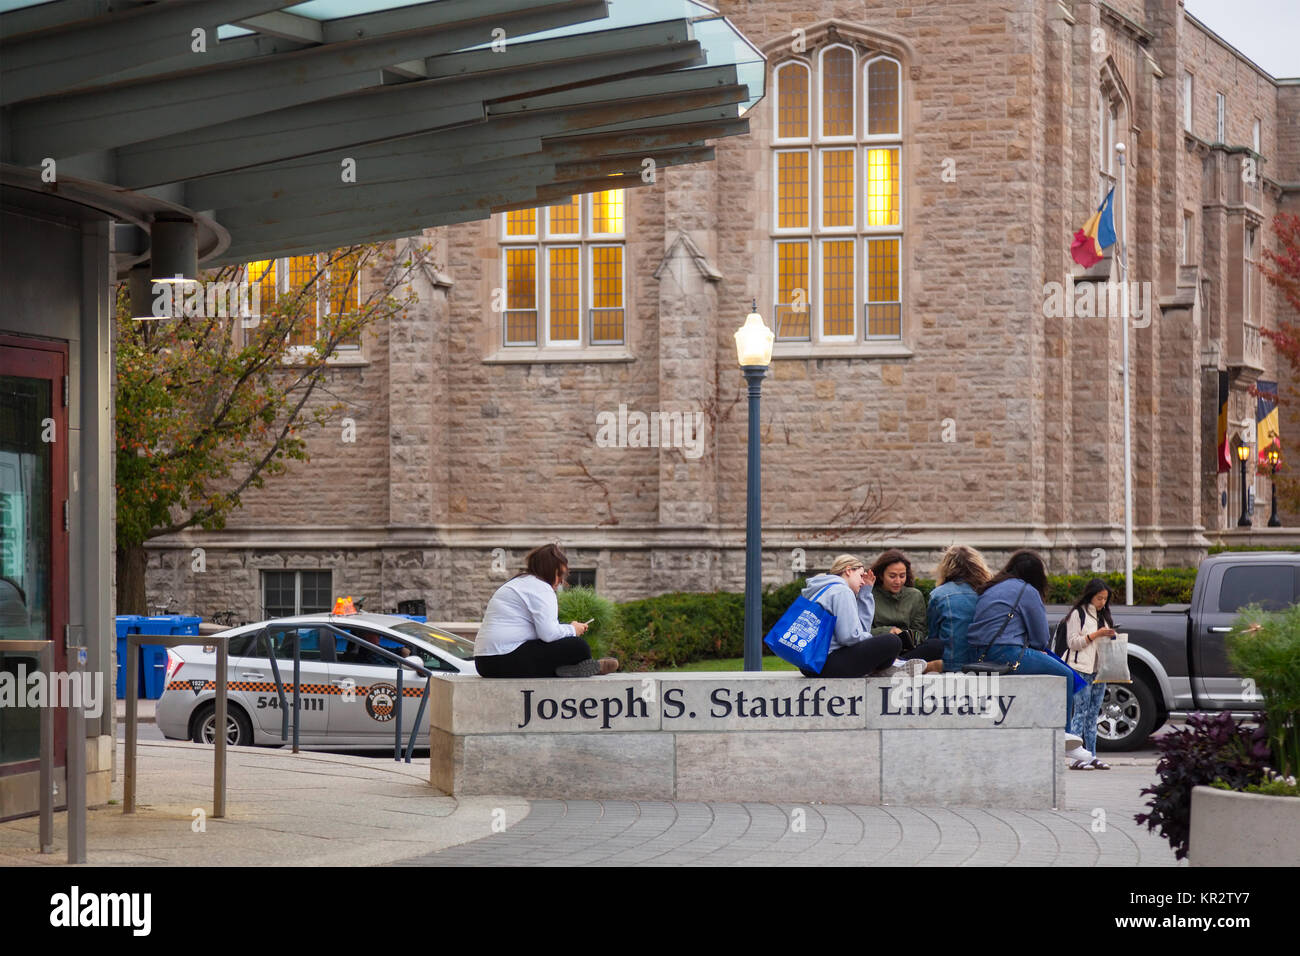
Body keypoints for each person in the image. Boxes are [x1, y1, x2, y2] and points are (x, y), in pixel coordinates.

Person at [964, 549, 1093, 763]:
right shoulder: (1027, 591)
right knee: (1066, 675)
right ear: (1036, 575)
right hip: (1007, 654)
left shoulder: (992, 587)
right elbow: (1041, 638)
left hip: (980, 653)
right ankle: (1064, 736)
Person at [473, 544, 619, 678]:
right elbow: (548, 634)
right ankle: (578, 668)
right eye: (560, 574)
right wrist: (573, 629)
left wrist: (567, 629)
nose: (561, 580)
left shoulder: (520, 582)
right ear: (549, 570)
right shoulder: (540, 587)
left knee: (565, 640)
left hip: (485, 661)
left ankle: (568, 669)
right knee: (578, 647)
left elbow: (541, 632)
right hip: (501, 658)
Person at [799, 554, 923, 678]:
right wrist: (871, 637)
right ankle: (889, 667)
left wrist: (865, 593)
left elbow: (859, 630)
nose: (863, 581)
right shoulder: (842, 591)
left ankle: (891, 666)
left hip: (807, 664)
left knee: (886, 642)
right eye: (860, 575)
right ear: (848, 571)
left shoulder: (823, 589)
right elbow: (849, 637)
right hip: (825, 663)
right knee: (892, 642)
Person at [1063, 578, 1117, 770]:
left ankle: (1091, 755)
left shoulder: (1104, 616)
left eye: (1105, 599)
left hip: (1099, 670)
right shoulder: (1078, 614)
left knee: (1094, 713)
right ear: (1090, 595)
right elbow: (1073, 642)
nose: (1102, 602)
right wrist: (1096, 635)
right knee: (1080, 712)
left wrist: (1110, 635)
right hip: (1079, 668)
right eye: (1099, 598)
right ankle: (1077, 757)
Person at [868, 549, 942, 668]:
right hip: (880, 646)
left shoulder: (915, 595)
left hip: (908, 649)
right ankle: (903, 665)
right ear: (881, 575)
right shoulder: (869, 595)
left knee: (936, 645)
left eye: (902, 576)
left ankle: (898, 664)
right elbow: (862, 631)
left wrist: (907, 636)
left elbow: (921, 633)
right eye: (892, 576)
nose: (898, 581)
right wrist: (888, 631)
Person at [926, 545, 992, 672]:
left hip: (950, 664)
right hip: (984, 664)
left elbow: (933, 635)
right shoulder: (988, 593)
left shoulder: (939, 595)